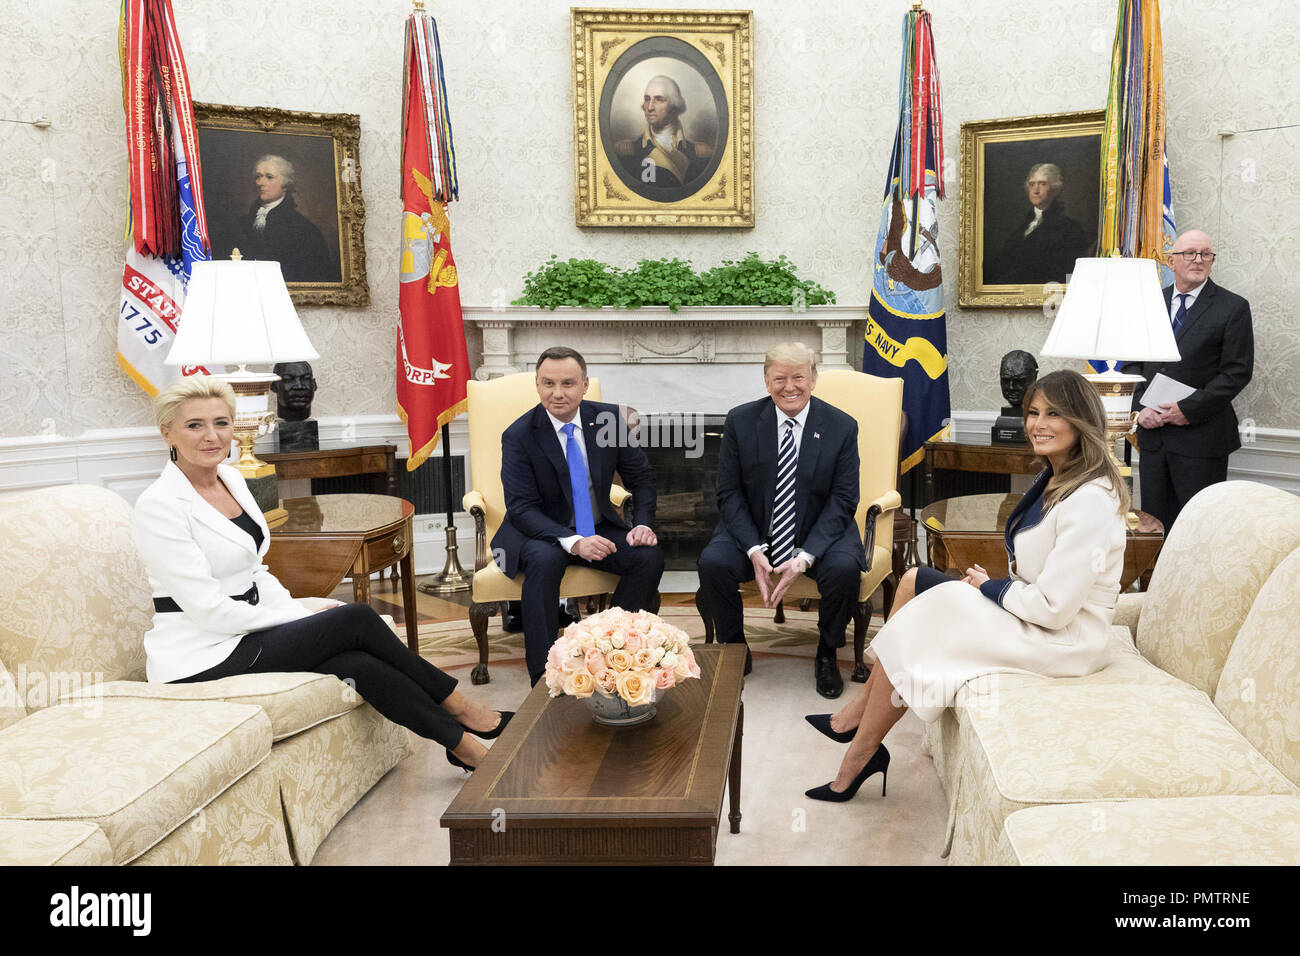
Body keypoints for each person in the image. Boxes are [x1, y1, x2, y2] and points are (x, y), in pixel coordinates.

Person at [132, 376, 508, 772]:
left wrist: (302, 606)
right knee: (356, 617)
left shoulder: (233, 479)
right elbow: (209, 612)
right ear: (167, 432)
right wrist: (303, 616)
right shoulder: (159, 506)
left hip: (245, 630)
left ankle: (466, 749)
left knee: (358, 664)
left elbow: (255, 572)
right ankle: (463, 707)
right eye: (195, 425)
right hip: (203, 653)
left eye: (221, 423)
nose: (212, 436)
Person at [803, 369, 1128, 801]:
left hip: (1065, 639)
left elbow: (1054, 608)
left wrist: (990, 590)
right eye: (1032, 412)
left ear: (1081, 420)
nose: (1037, 424)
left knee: (935, 612)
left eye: (1054, 414)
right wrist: (991, 588)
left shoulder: (1090, 499)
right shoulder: (1055, 478)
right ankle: (856, 718)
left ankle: (858, 753)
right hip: (1037, 619)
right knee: (916, 579)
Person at [697, 342, 863, 699]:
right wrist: (754, 549)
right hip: (755, 530)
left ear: (814, 379)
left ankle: (827, 651)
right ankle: (735, 645)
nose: (790, 387)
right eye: (780, 378)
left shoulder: (841, 426)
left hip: (821, 530)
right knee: (713, 563)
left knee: (845, 569)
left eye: (799, 377)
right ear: (766, 380)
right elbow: (728, 493)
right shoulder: (740, 421)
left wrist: (806, 556)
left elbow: (844, 499)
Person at [493, 347, 664, 684]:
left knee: (647, 557)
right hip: (538, 531)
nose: (557, 393)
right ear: (538, 385)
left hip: (597, 525)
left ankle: (611, 649)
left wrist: (642, 523)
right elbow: (521, 508)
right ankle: (545, 675)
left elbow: (642, 479)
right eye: (548, 383)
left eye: (568, 383)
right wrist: (574, 542)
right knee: (544, 561)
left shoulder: (608, 421)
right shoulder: (518, 435)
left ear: (585, 385)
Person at [1122, 229, 1254, 531]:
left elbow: (1237, 372)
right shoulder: (1149, 303)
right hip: (1153, 437)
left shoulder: (1232, 307)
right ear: (1171, 261)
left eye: (1205, 254)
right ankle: (1156, 580)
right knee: (1155, 526)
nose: (1198, 259)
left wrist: (1187, 409)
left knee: (1198, 529)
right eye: (1190, 253)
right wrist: (1140, 409)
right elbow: (1130, 364)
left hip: (1202, 439)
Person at [220, 155, 339, 283]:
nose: (260, 182)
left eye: (269, 177)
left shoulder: (304, 230)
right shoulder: (240, 225)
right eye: (258, 176)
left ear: (286, 184)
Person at [984, 163, 1089, 285]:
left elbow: (1069, 275)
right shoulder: (1020, 228)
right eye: (1032, 184)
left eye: (1043, 184)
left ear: (1055, 189)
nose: (1035, 190)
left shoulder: (1070, 229)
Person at [615, 75, 711, 191]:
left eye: (659, 99)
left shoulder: (700, 153)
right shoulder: (626, 152)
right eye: (647, 99)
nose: (649, 107)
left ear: (674, 105)